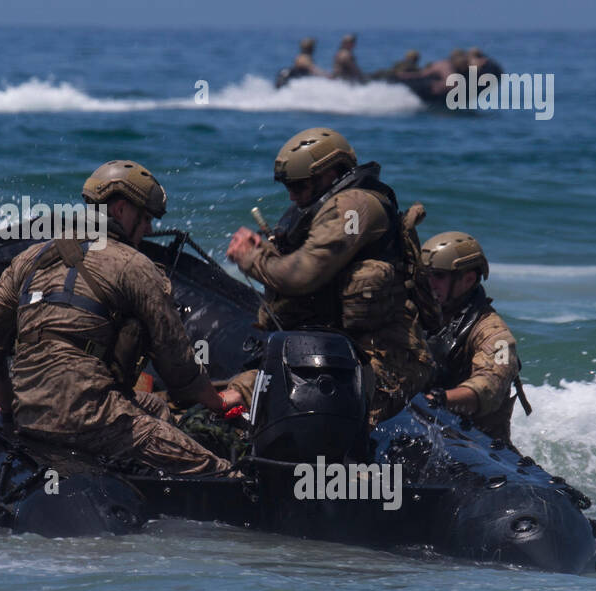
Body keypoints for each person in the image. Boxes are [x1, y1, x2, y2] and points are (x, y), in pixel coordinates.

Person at [0, 161, 235, 476]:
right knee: (219, 471)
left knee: (157, 407)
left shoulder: (29, 259)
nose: (148, 229)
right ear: (121, 210)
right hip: (92, 419)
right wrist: (217, 403)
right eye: (145, 218)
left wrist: (10, 407)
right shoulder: (136, 266)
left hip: (29, 415)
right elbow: (177, 365)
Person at [225, 128, 434, 425]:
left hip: (382, 362)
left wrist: (251, 258)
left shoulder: (354, 206)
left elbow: (301, 275)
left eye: (299, 186)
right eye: (288, 187)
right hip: (330, 354)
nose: (292, 196)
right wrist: (269, 253)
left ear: (332, 173)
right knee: (230, 397)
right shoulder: (318, 210)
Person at [421, 231, 528, 445]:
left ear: (468, 279)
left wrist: (441, 399)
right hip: (422, 425)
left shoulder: (493, 333)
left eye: (439, 276)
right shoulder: (417, 314)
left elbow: (490, 385)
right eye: (426, 274)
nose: (429, 282)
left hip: (475, 444)